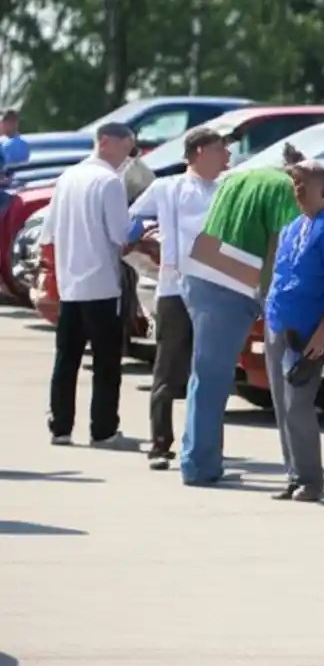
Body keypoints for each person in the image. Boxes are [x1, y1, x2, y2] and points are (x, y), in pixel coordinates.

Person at [179, 166, 300, 485]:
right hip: (234, 284)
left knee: (204, 376)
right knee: (214, 378)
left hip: (200, 272)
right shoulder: (284, 188)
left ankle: (198, 460)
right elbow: (282, 243)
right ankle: (200, 466)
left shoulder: (238, 177)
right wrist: (274, 296)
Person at [127, 127, 229, 470]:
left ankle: (202, 444)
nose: (226, 156)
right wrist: (144, 241)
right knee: (168, 369)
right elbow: (132, 221)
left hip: (214, 290)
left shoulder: (225, 191)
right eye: (220, 149)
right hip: (173, 290)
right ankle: (159, 442)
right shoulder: (167, 187)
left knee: (210, 370)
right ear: (199, 151)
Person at [39, 123, 136, 447]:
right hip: (102, 284)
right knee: (107, 362)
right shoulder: (108, 181)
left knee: (66, 359)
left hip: (70, 284)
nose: (128, 156)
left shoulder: (68, 177)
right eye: (126, 147)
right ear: (106, 142)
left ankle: (61, 427)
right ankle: (104, 430)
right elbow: (120, 236)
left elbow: (48, 230)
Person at [263, 160, 324, 502]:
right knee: (281, 405)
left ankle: (311, 480)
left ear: (320, 188)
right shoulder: (293, 226)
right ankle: (293, 474)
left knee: (298, 404)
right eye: (293, 185)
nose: (296, 191)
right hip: (278, 321)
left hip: (308, 326)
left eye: (302, 185)